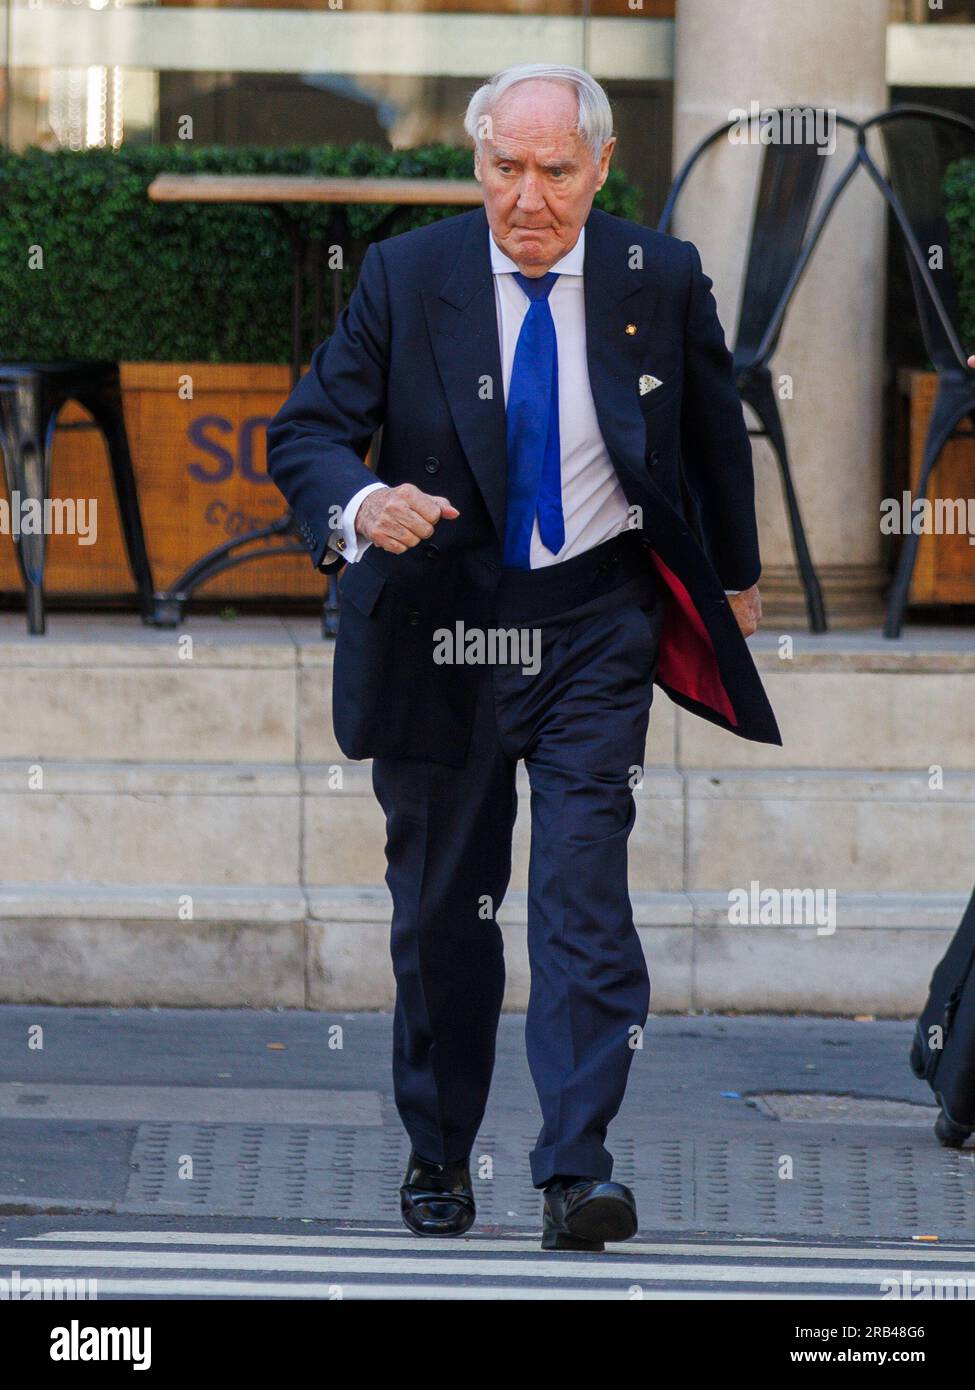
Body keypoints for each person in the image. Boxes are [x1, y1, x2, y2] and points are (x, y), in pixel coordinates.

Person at [266, 63, 781, 1252]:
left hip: (595, 620)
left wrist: (737, 575)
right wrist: (359, 505)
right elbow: (309, 432)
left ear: (601, 168)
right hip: (447, 623)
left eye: (557, 171)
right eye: (507, 168)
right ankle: (439, 1150)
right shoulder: (408, 277)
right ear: (477, 165)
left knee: (583, 894)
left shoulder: (661, 275)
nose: (530, 197)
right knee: (446, 907)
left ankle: (575, 1168)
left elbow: (713, 434)